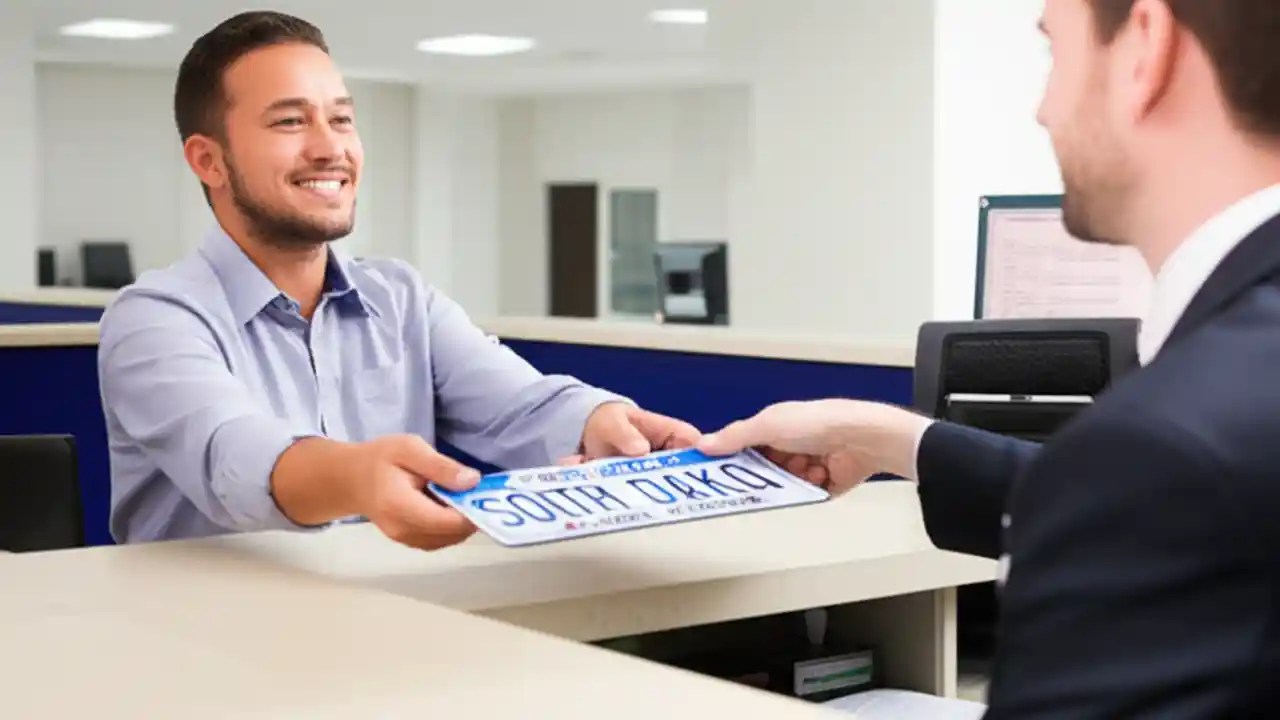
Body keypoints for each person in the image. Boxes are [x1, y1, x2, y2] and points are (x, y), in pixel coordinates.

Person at [700, 0, 1280, 717]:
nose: (1042, 110)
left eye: (1054, 54)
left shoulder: (1164, 446)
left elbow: (1167, 490)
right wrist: (898, 441)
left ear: (1145, 49)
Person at [97, 11, 699, 548]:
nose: (329, 147)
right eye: (289, 122)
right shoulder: (154, 319)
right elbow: (233, 459)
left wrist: (601, 421)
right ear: (208, 160)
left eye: (342, 119)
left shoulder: (400, 297)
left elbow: (517, 405)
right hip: (209, 644)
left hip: (397, 626)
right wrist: (356, 478)